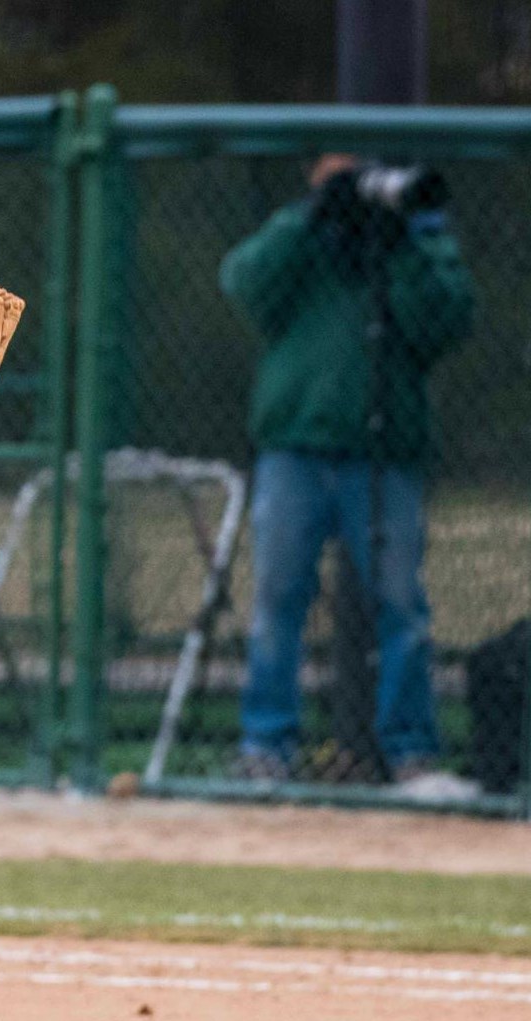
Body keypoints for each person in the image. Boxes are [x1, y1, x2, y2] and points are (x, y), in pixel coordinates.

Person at [220, 153, 477, 799]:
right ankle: (266, 749)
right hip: (295, 449)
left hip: (385, 453)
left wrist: (402, 243)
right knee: (279, 603)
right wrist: (312, 213)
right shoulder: (305, 237)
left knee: (402, 608)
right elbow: (245, 282)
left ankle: (412, 754)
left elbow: (446, 322)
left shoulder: (417, 242)